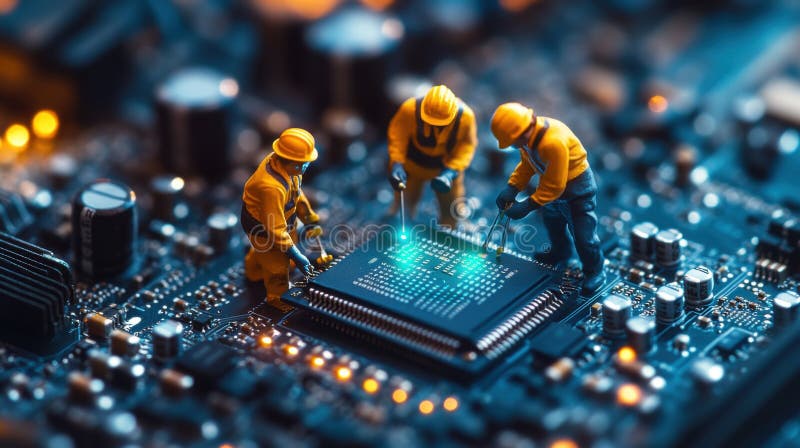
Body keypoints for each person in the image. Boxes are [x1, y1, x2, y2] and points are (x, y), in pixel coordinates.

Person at [490, 102, 606, 294]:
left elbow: (555, 185)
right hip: (553, 189)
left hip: (577, 191)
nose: (511, 145)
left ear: (522, 131)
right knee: (553, 223)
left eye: (511, 141)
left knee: (584, 237)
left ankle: (595, 272)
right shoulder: (527, 141)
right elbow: (527, 166)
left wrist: (527, 206)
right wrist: (512, 187)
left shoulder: (553, 142)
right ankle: (562, 253)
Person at [241, 128, 323, 306]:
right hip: (262, 227)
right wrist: (296, 255)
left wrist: (309, 218)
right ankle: (277, 297)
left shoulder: (285, 166)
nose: (308, 165)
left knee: (270, 250)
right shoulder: (271, 187)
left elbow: (296, 195)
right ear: (294, 163)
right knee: (277, 265)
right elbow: (276, 230)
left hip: (281, 220)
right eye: (305, 162)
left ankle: (253, 269)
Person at [387, 85, 477, 228]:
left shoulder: (465, 118)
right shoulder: (409, 109)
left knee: (452, 207)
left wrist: (451, 171)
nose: (435, 125)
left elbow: (466, 147)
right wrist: (397, 163)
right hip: (412, 166)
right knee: (404, 202)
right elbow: (398, 136)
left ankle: (451, 231)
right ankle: (401, 224)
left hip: (444, 170)